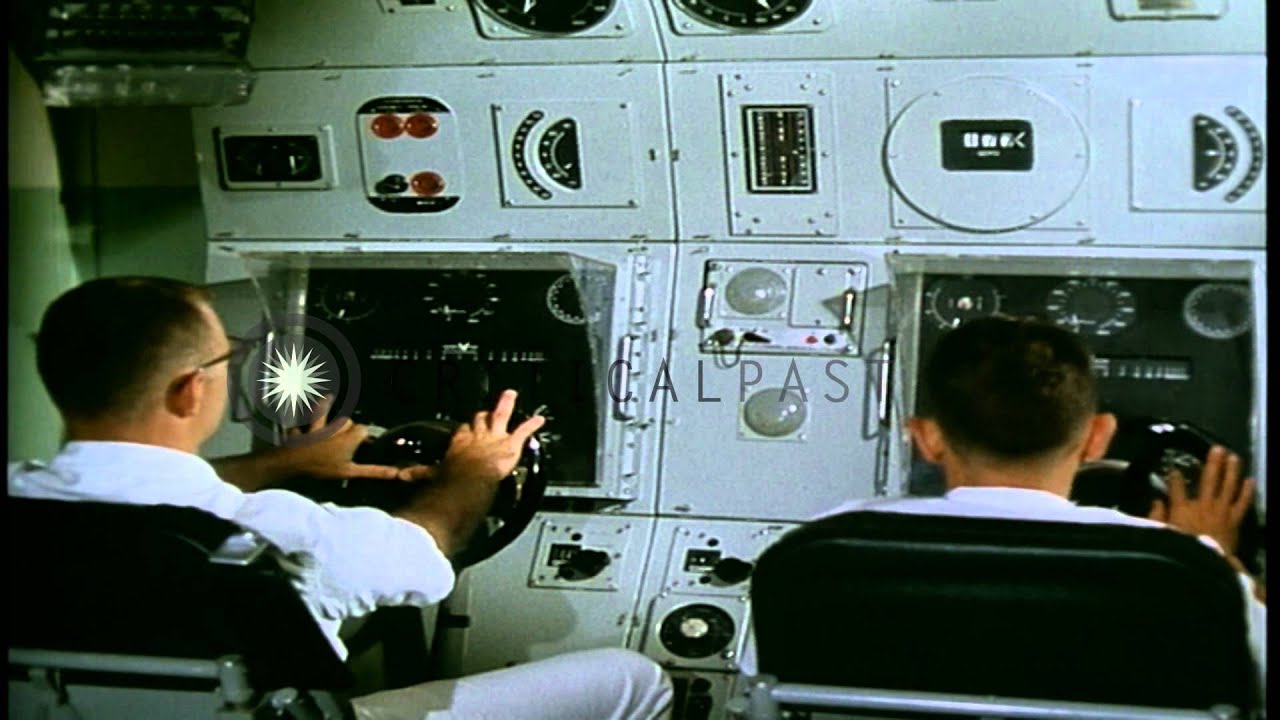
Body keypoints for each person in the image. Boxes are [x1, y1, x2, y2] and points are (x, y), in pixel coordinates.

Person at [8, 276, 673, 720]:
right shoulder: (271, 535)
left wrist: (280, 462)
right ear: (190, 390)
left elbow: (139, 488)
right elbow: (428, 547)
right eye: (223, 359)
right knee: (633, 680)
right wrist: (474, 469)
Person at [741, 316, 1265, 686]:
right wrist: (1217, 556)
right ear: (1097, 437)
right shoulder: (1178, 569)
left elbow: (766, 681)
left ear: (927, 439)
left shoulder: (826, 549)